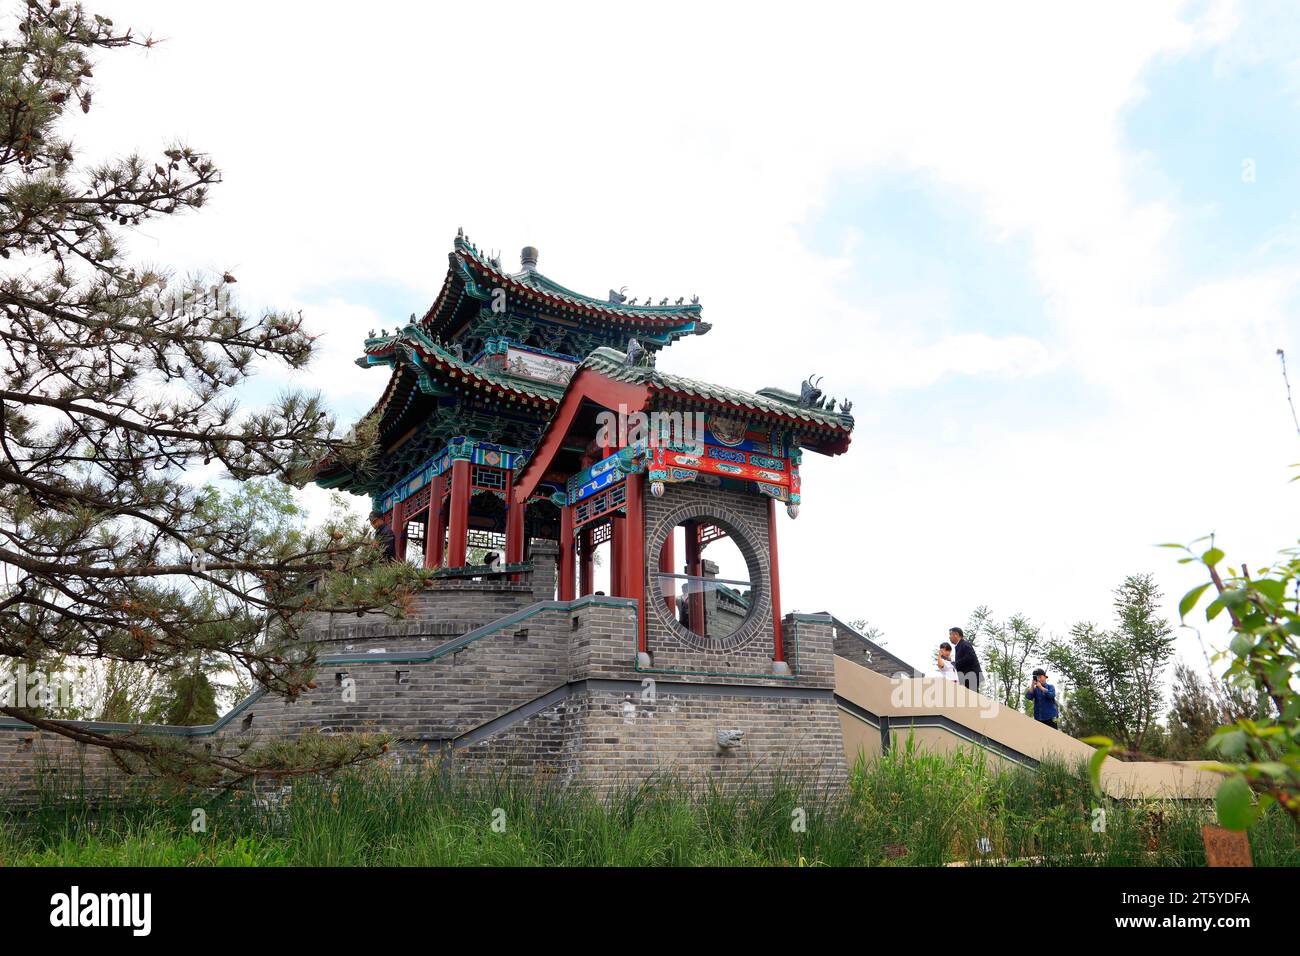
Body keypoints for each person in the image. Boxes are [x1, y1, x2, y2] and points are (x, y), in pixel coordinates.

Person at [950, 626, 982, 693]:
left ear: (956, 634)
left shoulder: (964, 644)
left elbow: (970, 657)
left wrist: (956, 664)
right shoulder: (960, 645)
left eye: (950, 634)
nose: (949, 637)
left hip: (971, 677)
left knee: (972, 699)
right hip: (967, 677)